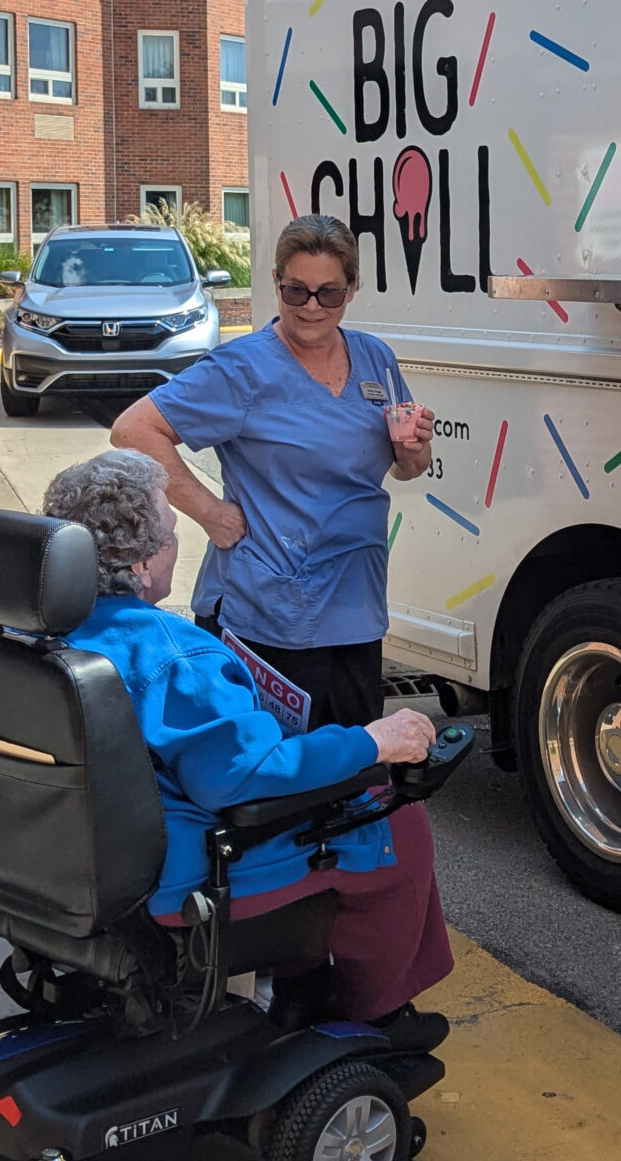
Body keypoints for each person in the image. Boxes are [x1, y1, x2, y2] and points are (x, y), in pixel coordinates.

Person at [42, 449, 454, 1048]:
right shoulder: (170, 656)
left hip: (65, 860)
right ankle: (375, 1018)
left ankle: (302, 987)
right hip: (172, 876)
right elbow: (246, 775)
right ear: (140, 564)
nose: (176, 545)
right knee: (390, 820)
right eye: (172, 533)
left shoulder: (30, 635)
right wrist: (372, 741)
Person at [111, 213, 434, 731]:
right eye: (295, 290)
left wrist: (414, 447)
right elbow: (133, 430)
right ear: (276, 282)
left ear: (353, 287)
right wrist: (210, 513)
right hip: (268, 615)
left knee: (356, 764)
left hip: (356, 605)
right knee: (276, 769)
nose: (311, 306)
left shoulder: (375, 359)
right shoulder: (242, 368)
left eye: (329, 293)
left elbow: (409, 468)